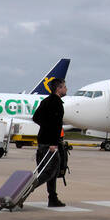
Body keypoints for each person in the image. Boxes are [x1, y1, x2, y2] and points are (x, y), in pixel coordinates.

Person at [32, 76, 69, 206]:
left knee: (50, 172)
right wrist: (53, 143)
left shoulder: (46, 101)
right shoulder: (57, 104)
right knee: (49, 171)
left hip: (42, 140)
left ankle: (52, 198)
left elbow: (35, 118)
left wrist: (45, 127)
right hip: (51, 143)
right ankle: (25, 190)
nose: (66, 89)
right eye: (64, 87)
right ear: (58, 89)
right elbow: (56, 126)